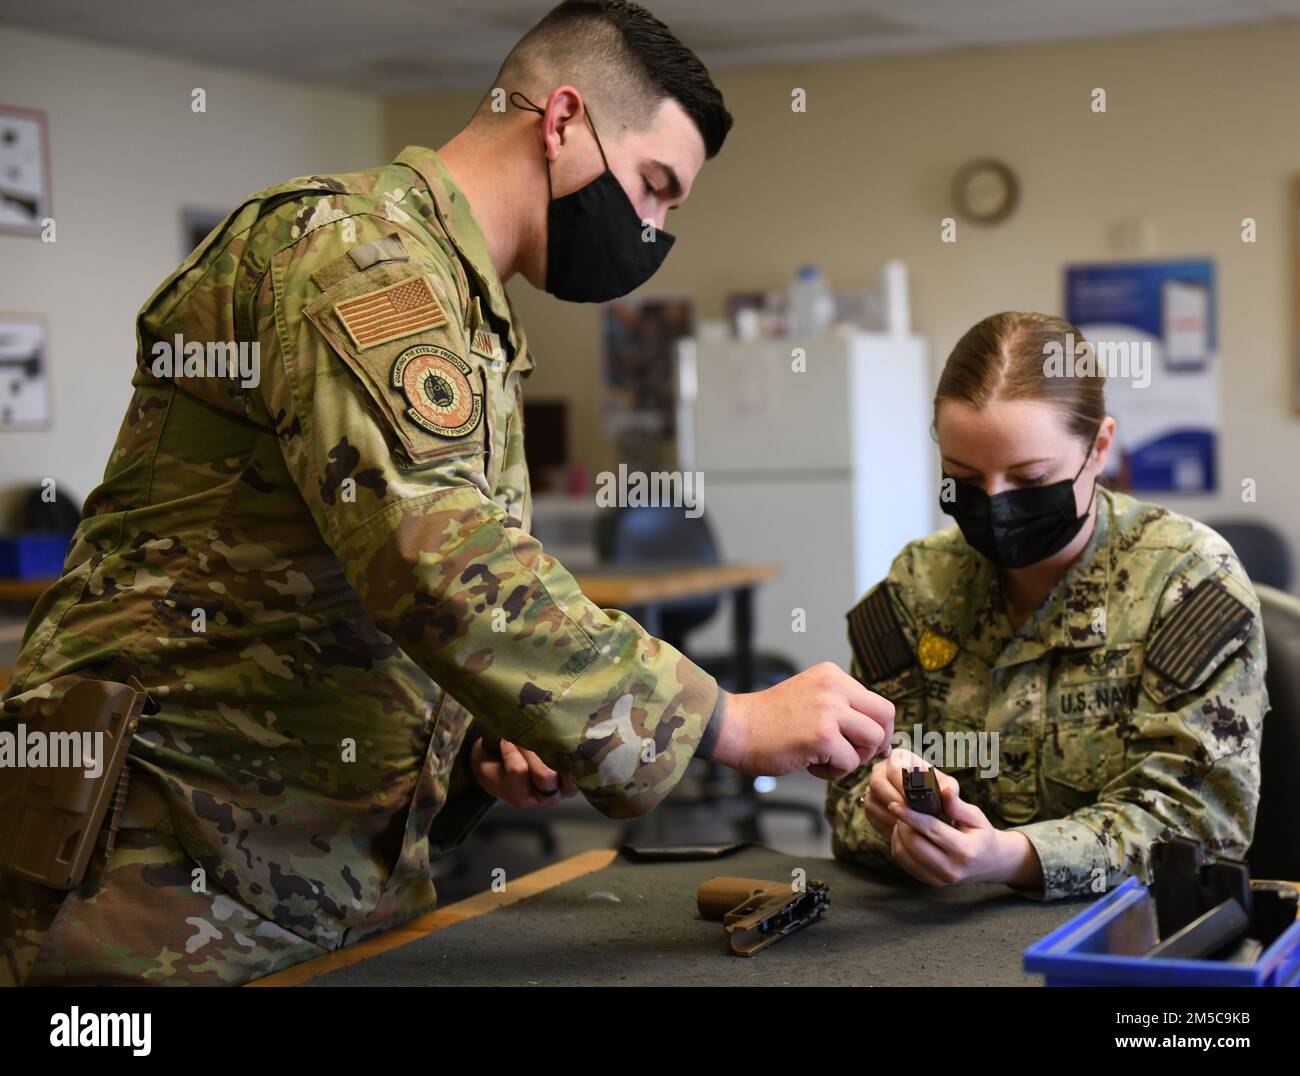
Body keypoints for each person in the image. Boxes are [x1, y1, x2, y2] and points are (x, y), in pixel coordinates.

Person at [0, 0, 894, 986]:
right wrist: (726, 719)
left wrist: (478, 737)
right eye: (652, 186)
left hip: (314, 866)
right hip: (161, 869)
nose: (651, 230)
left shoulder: (467, 314)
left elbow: (359, 583)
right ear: (560, 121)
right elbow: (434, 557)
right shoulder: (353, 252)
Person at [826, 311, 1266, 900]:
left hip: (1119, 939)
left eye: (1030, 480)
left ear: (1099, 448)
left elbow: (1200, 822)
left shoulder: (1185, 582)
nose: (998, 505)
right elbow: (848, 789)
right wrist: (890, 817)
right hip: (934, 935)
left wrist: (1013, 857)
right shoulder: (919, 584)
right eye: (966, 479)